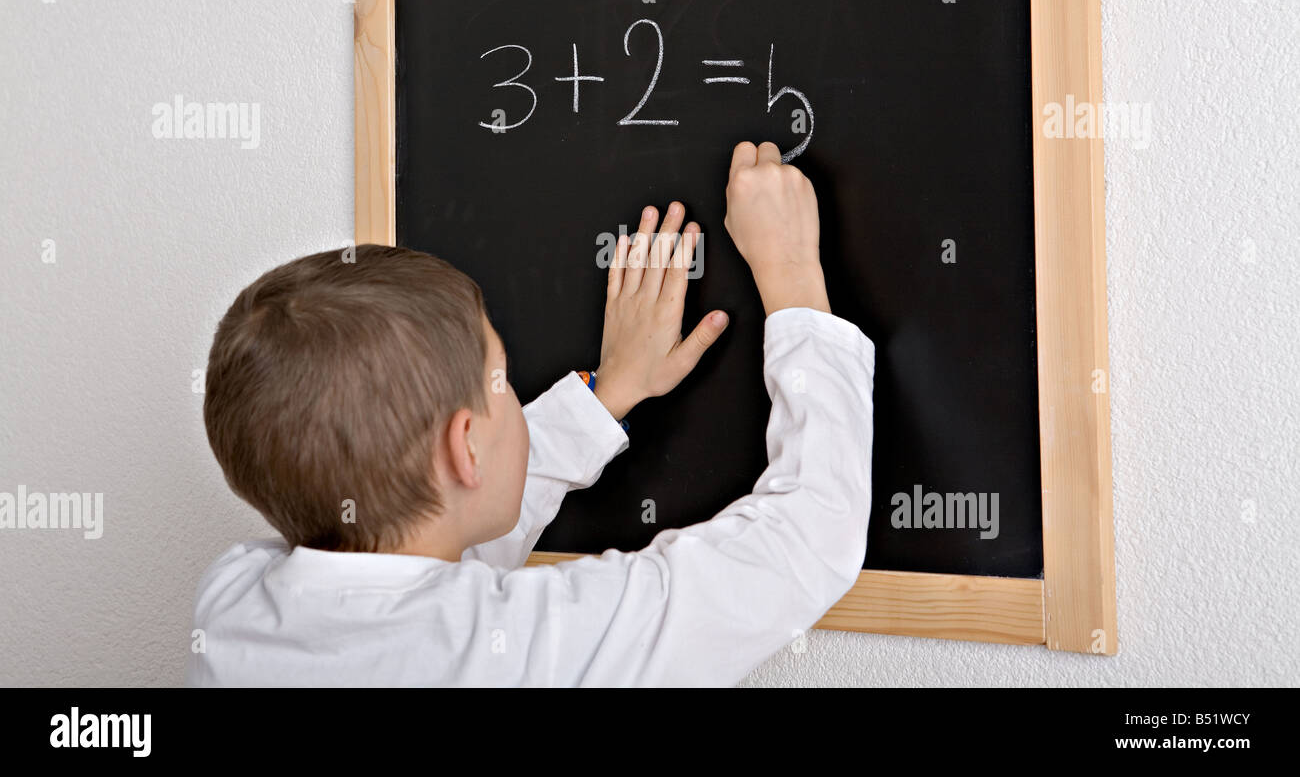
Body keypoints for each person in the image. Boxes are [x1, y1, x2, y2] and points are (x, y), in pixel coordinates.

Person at [187, 140, 874, 686]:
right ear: (465, 447)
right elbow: (808, 537)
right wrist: (791, 280)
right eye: (502, 380)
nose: (514, 391)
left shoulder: (234, 602)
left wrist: (609, 395)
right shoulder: (532, 650)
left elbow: (427, 544)